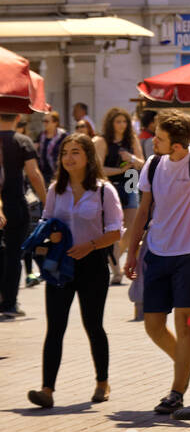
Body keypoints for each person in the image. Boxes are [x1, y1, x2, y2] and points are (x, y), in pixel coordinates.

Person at [26, 133, 123, 408]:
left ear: (88, 156)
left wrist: (91, 245)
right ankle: (47, 389)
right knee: (55, 326)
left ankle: (102, 382)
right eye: (65, 152)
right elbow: (46, 221)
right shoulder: (56, 189)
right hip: (61, 265)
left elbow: (116, 231)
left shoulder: (104, 190)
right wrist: (51, 234)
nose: (69, 157)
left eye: (76, 152)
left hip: (92, 265)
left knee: (93, 325)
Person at [124, 111, 190, 416]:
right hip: (156, 250)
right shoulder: (154, 165)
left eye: (159, 137)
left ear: (178, 146)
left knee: (183, 322)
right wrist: (131, 251)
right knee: (153, 325)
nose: (152, 140)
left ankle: (176, 392)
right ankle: (186, 360)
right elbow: (143, 211)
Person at [0, 114, 47, 318]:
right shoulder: (22, 141)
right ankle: (9, 303)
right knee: (13, 255)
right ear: (18, 116)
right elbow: (34, 174)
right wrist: (47, 201)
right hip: (15, 205)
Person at [94, 108, 144, 280]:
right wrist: (119, 170)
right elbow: (98, 168)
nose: (122, 125)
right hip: (110, 185)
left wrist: (130, 158)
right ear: (111, 123)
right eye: (118, 121)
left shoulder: (132, 139)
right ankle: (116, 268)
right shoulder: (102, 141)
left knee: (130, 227)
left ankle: (114, 258)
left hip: (130, 182)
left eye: (124, 121)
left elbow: (141, 163)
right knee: (113, 225)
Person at [37, 111, 67, 186]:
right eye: (43, 121)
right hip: (44, 172)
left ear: (55, 123)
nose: (44, 123)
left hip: (58, 172)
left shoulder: (63, 136)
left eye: (47, 121)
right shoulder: (41, 135)